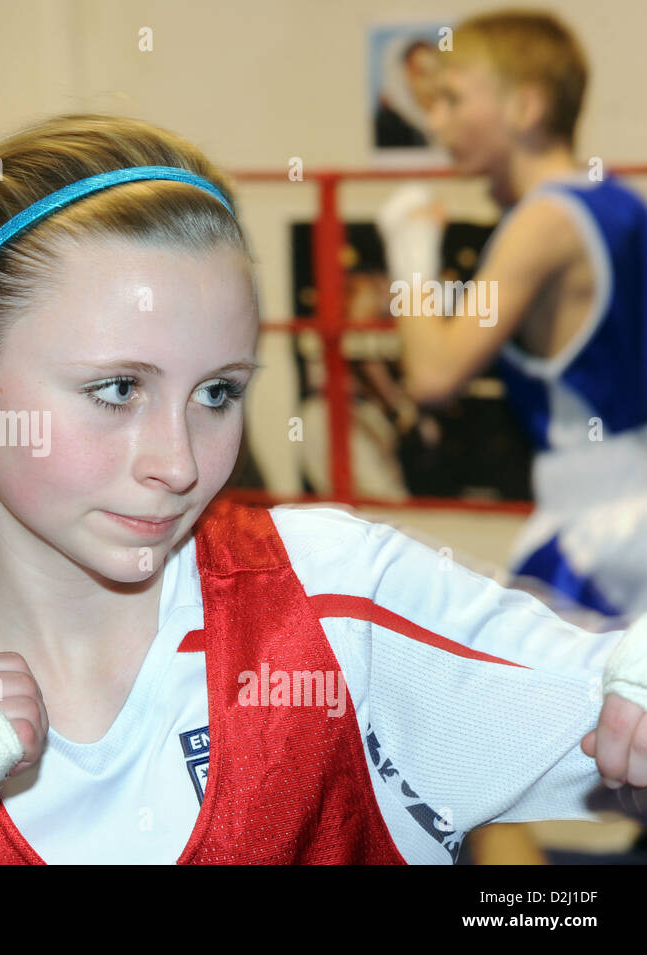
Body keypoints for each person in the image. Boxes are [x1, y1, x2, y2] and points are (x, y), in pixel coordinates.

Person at [0, 113, 647, 866]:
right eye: (117, 389)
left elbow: (616, 700)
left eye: (217, 392)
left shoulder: (338, 607)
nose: (178, 462)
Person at [377, 10, 647, 864]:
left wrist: (411, 257)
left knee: (464, 739)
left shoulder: (544, 219)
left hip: (602, 523)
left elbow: (434, 371)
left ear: (527, 106)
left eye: (456, 97)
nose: (438, 120)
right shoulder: (618, 203)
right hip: (621, 502)